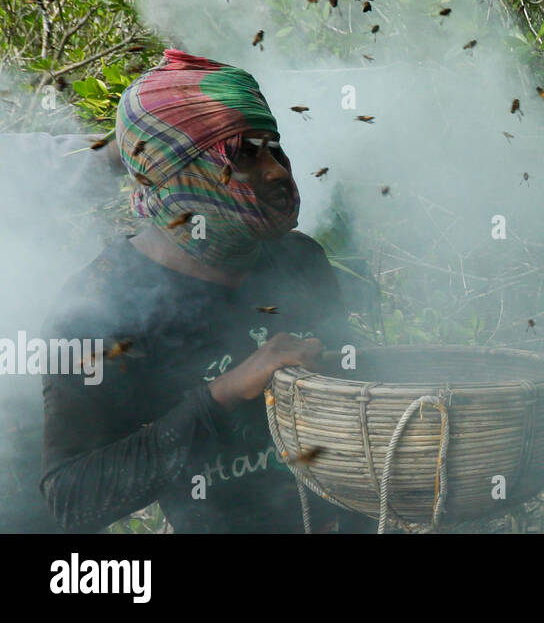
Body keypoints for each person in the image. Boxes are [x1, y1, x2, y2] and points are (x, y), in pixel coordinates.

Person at [39, 50, 364, 532]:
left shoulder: (299, 260)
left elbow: (361, 410)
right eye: (244, 154)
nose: (276, 171)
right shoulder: (95, 311)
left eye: (274, 148)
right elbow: (72, 497)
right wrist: (226, 393)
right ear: (175, 176)